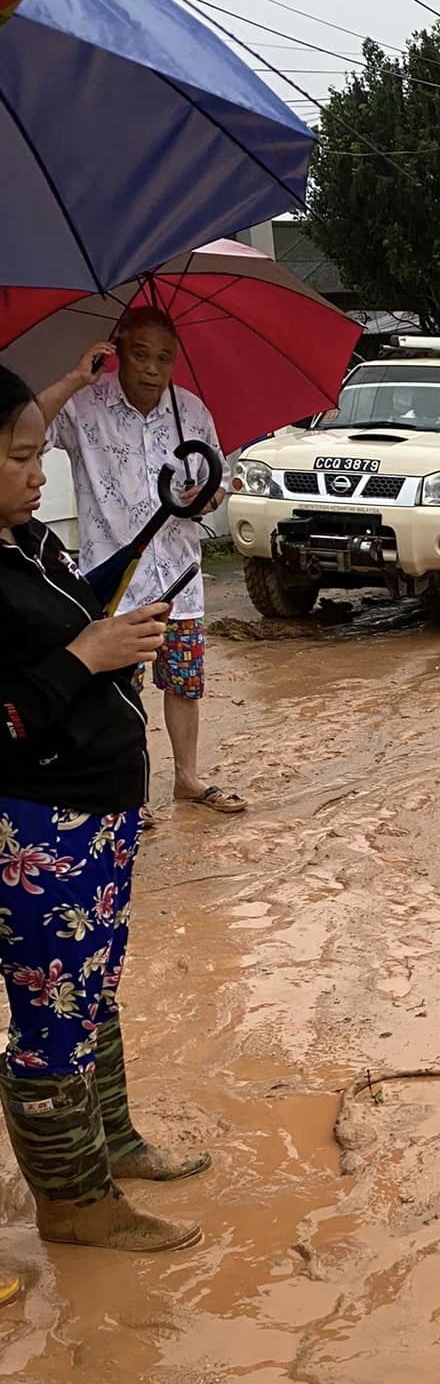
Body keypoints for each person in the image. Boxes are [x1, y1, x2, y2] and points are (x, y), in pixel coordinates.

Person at [0, 363, 206, 1270]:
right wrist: (86, 655)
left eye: (37, 451)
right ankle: (75, 1204)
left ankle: (110, 1144)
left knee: (91, 990)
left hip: (94, 815)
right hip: (38, 826)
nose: (37, 470)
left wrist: (119, 591)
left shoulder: (22, 543)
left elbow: (72, 615)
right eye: (17, 455)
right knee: (52, 1006)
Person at [37, 307, 247, 817]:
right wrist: (70, 379)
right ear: (117, 351)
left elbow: (216, 481)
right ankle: (132, 791)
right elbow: (23, 432)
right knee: (117, 690)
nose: (153, 368)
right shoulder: (84, 407)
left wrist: (206, 499)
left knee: (183, 683)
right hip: (114, 584)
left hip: (179, 579)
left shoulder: (191, 411)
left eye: (164, 357)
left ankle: (187, 779)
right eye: (140, 354)